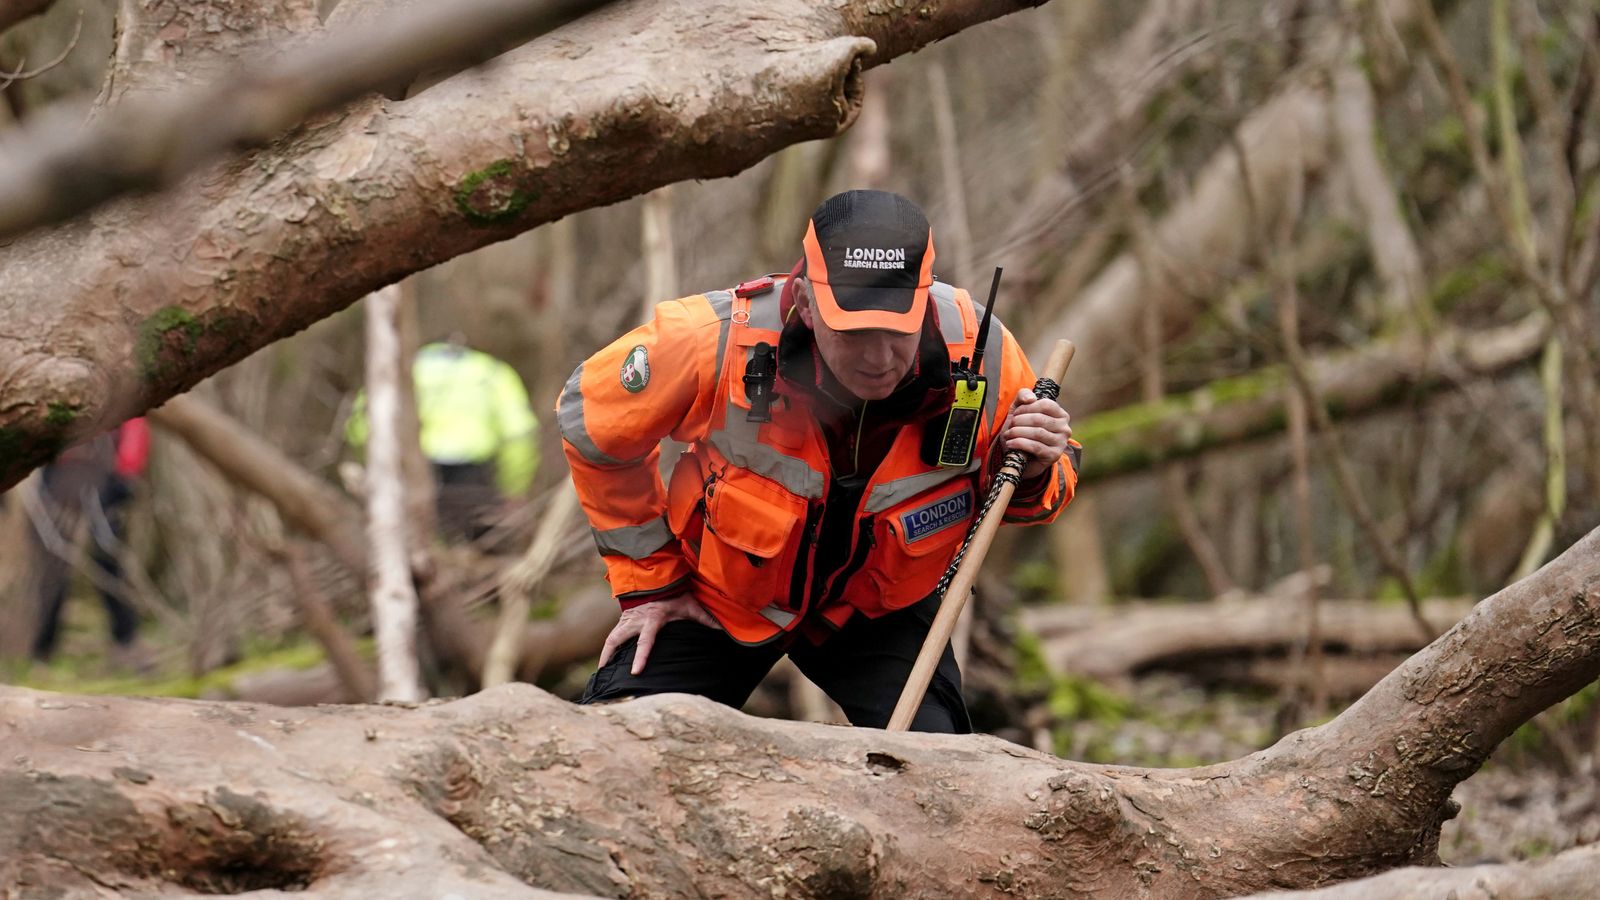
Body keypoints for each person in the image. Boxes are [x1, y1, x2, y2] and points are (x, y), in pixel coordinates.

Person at [558, 190, 1079, 733]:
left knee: (934, 768)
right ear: (806, 302)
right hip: (717, 595)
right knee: (621, 740)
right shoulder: (713, 339)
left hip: (880, 609)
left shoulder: (984, 351)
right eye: (854, 333)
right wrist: (650, 585)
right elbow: (588, 422)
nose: (879, 360)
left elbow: (1049, 489)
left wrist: (1035, 467)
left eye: (896, 331)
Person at [347, 340, 540, 542]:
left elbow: (360, 427)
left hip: (412, 468)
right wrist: (514, 489)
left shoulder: (400, 370)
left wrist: (378, 469)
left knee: (416, 540)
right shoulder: (492, 372)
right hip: (473, 476)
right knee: (477, 544)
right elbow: (519, 435)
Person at [28, 417, 151, 669]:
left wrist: (126, 473)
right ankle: (41, 650)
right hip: (58, 475)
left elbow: (134, 424)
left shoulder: (119, 393)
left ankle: (126, 641)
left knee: (108, 558)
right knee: (51, 563)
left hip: (106, 478)